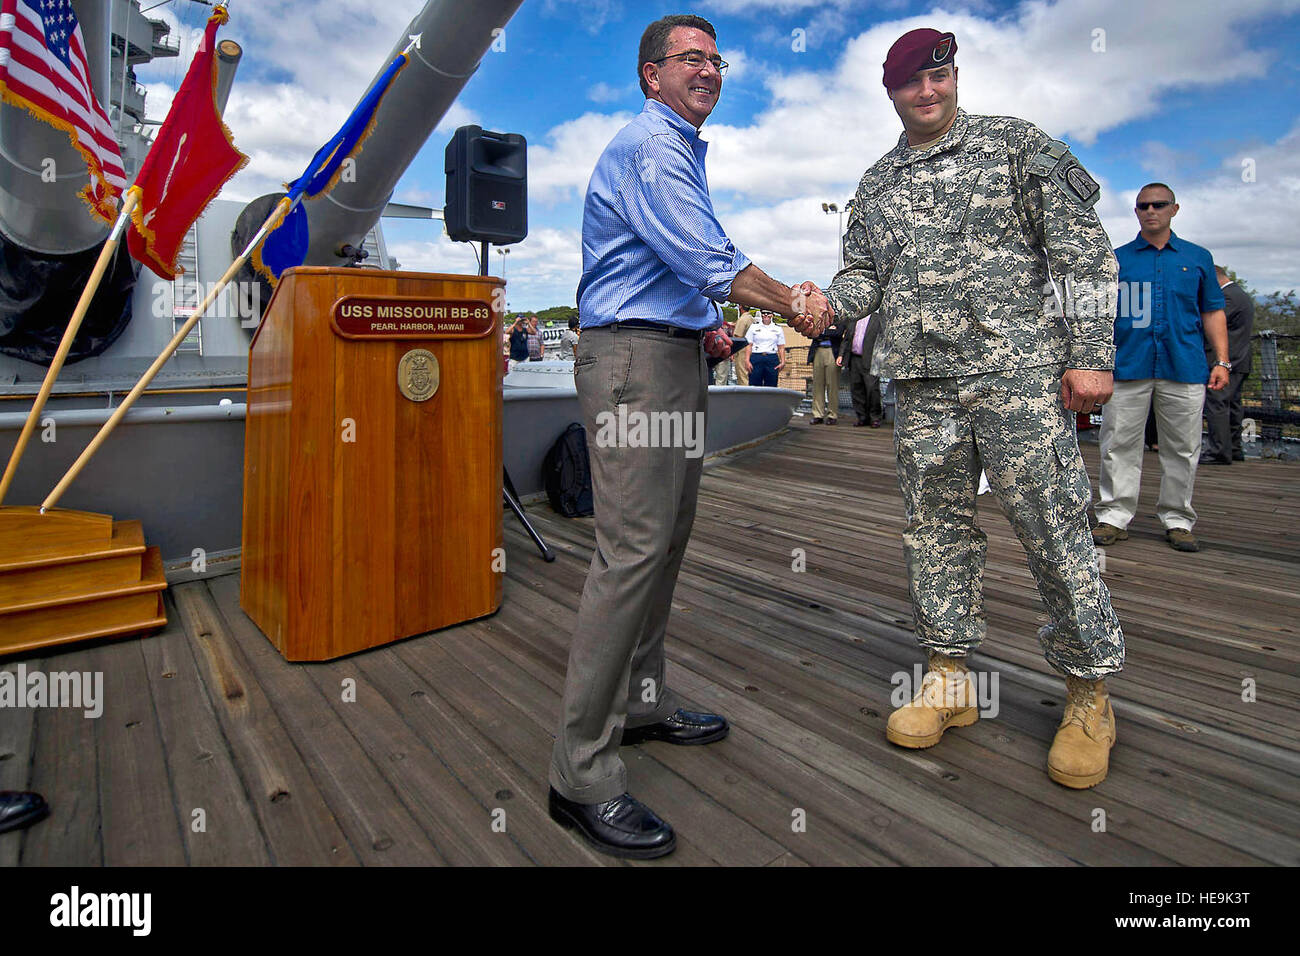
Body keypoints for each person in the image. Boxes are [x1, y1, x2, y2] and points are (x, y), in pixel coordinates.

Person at [547, 14, 831, 858]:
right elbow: (707, 256)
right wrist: (793, 302)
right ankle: (580, 774)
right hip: (632, 361)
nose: (708, 69)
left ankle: (638, 702)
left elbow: (677, 270)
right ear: (651, 76)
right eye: (690, 58)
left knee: (665, 540)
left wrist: (706, 323)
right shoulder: (651, 148)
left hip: (670, 357)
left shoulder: (677, 149)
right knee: (631, 548)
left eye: (716, 58)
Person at [819, 28, 1124, 789]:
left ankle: (1090, 693)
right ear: (890, 93)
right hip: (924, 388)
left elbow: (1082, 250)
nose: (929, 91)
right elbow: (862, 278)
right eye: (911, 83)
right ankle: (949, 677)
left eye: (940, 75)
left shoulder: (1015, 146)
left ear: (954, 76)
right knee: (934, 533)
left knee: (1051, 526)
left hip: (1016, 376)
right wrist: (823, 303)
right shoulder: (877, 183)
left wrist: (1090, 353)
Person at [1092, 184, 1229, 553]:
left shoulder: (1197, 258)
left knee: (1183, 448)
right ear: (1136, 212)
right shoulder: (1116, 259)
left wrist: (1222, 360)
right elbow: (1098, 314)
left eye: (1158, 205)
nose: (1150, 210)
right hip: (1128, 366)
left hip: (1183, 366)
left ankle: (1178, 519)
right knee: (1118, 444)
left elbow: (1212, 311)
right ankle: (1114, 516)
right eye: (1143, 206)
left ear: (1174, 209)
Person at [1201, 265, 1255, 464]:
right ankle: (1233, 448)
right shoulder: (1240, 295)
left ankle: (1219, 451)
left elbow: (1212, 323)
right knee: (1233, 406)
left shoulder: (1228, 298)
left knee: (1217, 405)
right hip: (1240, 360)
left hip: (1227, 361)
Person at [838, 312, 882, 426]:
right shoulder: (854, 318)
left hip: (871, 360)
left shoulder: (877, 319)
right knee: (856, 388)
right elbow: (846, 339)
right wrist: (841, 355)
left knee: (872, 389)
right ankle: (862, 417)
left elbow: (882, 339)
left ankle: (875, 418)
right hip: (854, 359)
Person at [807, 316, 844, 423]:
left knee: (832, 385)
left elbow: (838, 332)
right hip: (818, 351)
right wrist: (828, 331)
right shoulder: (818, 316)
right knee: (817, 384)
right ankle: (818, 414)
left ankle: (832, 414)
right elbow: (811, 333)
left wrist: (822, 331)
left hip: (832, 353)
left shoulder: (839, 318)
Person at [744, 312, 786, 386]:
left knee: (771, 386)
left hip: (771, 358)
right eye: (763, 313)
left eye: (768, 313)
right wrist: (747, 360)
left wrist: (783, 361)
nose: (766, 315)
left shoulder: (778, 329)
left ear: (772, 315)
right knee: (754, 386)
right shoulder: (754, 327)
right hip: (756, 357)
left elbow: (781, 347)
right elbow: (749, 345)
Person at [731, 307, 757, 383]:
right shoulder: (751, 319)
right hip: (751, 348)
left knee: (742, 376)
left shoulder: (742, 320)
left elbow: (738, 336)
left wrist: (732, 352)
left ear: (740, 306)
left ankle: (745, 394)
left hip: (741, 350)